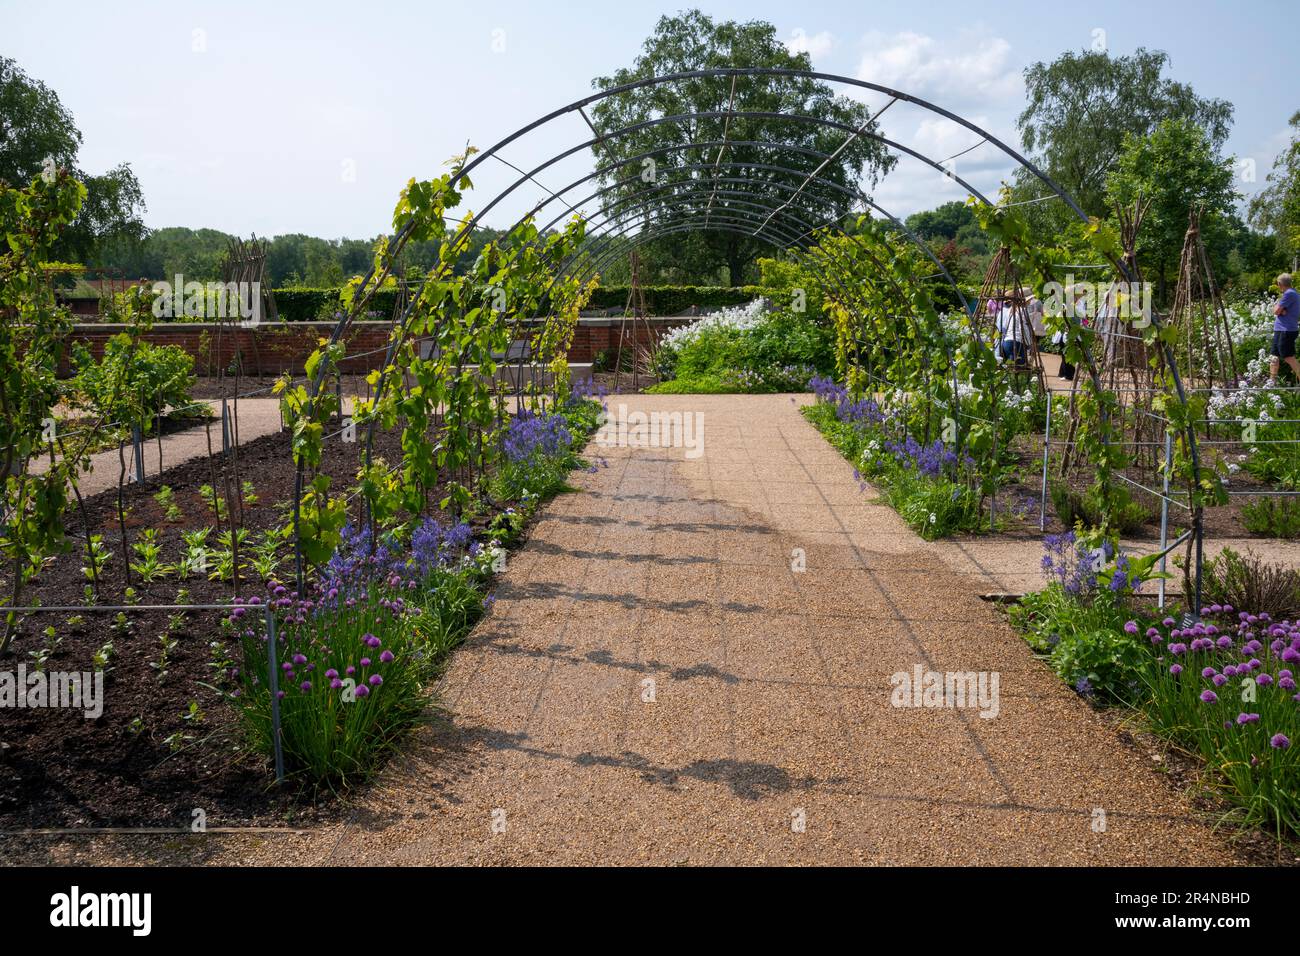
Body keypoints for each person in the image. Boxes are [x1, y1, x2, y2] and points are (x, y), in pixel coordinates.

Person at [1270, 274, 1300, 382]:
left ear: (1279, 284)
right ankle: (1271, 384)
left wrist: (1280, 310)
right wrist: (1281, 310)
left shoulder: (1289, 294)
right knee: (1274, 357)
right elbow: (1278, 310)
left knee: (1288, 357)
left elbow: (1275, 311)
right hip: (1281, 329)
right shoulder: (1292, 293)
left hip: (1286, 330)